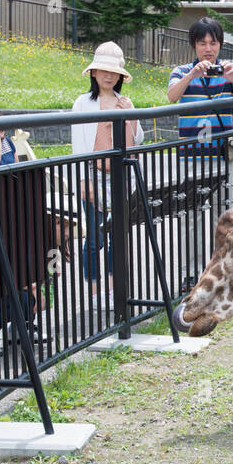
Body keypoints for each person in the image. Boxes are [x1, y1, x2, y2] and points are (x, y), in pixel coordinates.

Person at [70, 41, 142, 310]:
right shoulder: (83, 103)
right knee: (94, 238)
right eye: (103, 71)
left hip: (119, 177)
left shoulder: (126, 102)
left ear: (121, 76)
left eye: (114, 72)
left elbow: (134, 142)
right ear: (93, 73)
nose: (108, 76)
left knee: (116, 237)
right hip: (93, 173)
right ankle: (94, 290)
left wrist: (129, 118)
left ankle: (113, 290)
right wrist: (83, 180)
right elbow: (78, 142)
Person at [166, 16, 233, 157]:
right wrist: (191, 75)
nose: (208, 49)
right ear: (194, 45)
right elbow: (172, 96)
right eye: (202, 43)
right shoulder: (181, 71)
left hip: (223, 153)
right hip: (191, 153)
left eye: (213, 43)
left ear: (220, 45)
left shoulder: (230, 68)